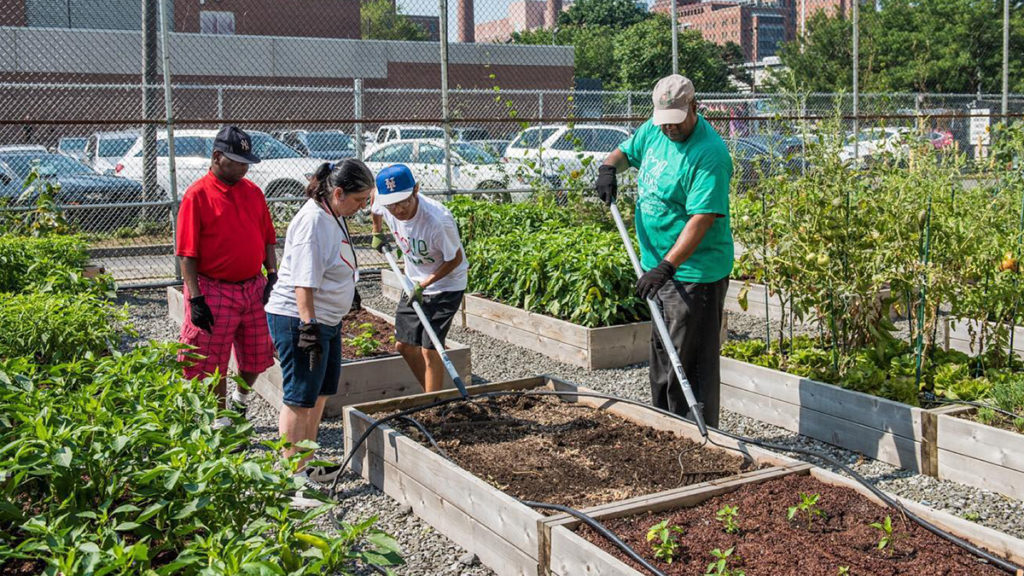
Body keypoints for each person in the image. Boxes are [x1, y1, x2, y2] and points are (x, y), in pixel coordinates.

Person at [596, 75, 733, 428]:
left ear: (694, 108)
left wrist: (667, 266)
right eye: (664, 122)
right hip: (657, 268)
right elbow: (626, 152)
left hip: (693, 273)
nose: (670, 129)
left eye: (676, 122)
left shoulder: (709, 154)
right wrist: (609, 168)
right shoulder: (655, 130)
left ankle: (698, 436)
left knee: (690, 363)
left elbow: (702, 219)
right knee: (663, 353)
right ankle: (664, 425)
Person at [264, 159, 374, 485]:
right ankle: (293, 478)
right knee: (299, 399)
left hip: (327, 319)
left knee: (320, 394)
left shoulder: (333, 214)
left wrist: (348, 289)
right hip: (299, 319)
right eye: (359, 200)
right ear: (338, 193)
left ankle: (306, 461)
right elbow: (303, 281)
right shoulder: (312, 221)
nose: (362, 207)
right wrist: (308, 326)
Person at [176, 125, 277, 427]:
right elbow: (186, 254)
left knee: (258, 353)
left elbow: (268, 238)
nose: (244, 168)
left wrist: (272, 275)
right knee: (211, 358)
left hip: (252, 285)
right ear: (217, 157)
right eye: (237, 162)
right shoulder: (197, 195)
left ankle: (240, 400)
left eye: (247, 162)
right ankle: (220, 417)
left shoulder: (253, 192)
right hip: (212, 287)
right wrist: (196, 298)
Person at [370, 164, 468, 393]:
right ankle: (431, 395)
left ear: (416, 189)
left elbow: (455, 259)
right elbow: (374, 201)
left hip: (446, 284)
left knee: (430, 349)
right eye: (391, 204)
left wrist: (424, 285)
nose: (397, 209)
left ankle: (433, 405)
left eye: (403, 201)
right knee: (403, 345)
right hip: (413, 281)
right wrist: (377, 231)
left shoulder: (437, 220)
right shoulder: (384, 202)